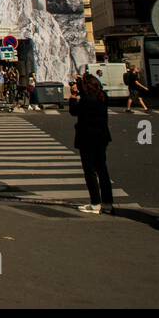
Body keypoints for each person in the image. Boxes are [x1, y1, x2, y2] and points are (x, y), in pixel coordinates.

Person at [68, 72, 114, 215]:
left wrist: (73, 96)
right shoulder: (102, 96)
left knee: (90, 171)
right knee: (103, 170)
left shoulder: (86, 100)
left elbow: (74, 111)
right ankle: (107, 203)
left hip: (87, 138)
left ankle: (95, 203)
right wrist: (80, 80)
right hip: (102, 137)